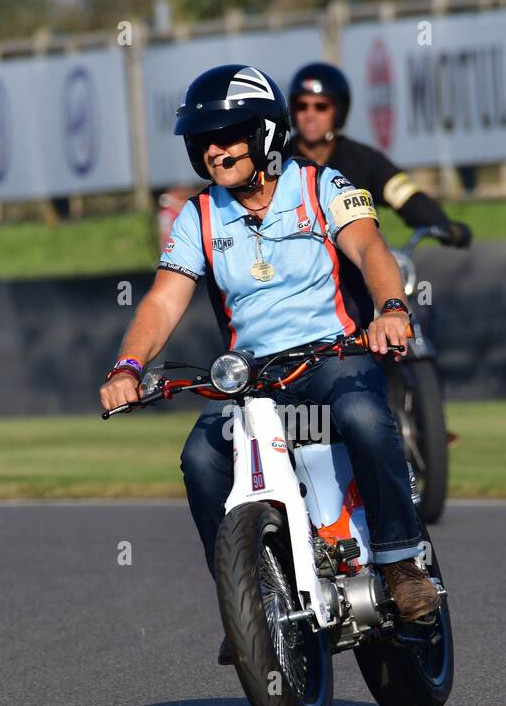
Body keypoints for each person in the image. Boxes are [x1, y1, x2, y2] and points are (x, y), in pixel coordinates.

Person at [98, 64, 439, 666]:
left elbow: (368, 246)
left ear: (264, 135)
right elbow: (163, 299)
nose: (215, 149)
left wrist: (389, 308)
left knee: (363, 416)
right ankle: (246, 602)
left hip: (334, 355)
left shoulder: (322, 186)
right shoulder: (198, 217)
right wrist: (127, 366)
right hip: (254, 378)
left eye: (228, 135)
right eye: (203, 139)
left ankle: (401, 560)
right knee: (200, 456)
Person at [286, 61, 471, 329]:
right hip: (305, 284)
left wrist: (442, 224)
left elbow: (404, 194)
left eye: (321, 106)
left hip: (363, 270)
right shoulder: (279, 163)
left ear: (338, 111)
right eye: (302, 107)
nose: (310, 115)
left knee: (418, 317)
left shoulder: (363, 160)